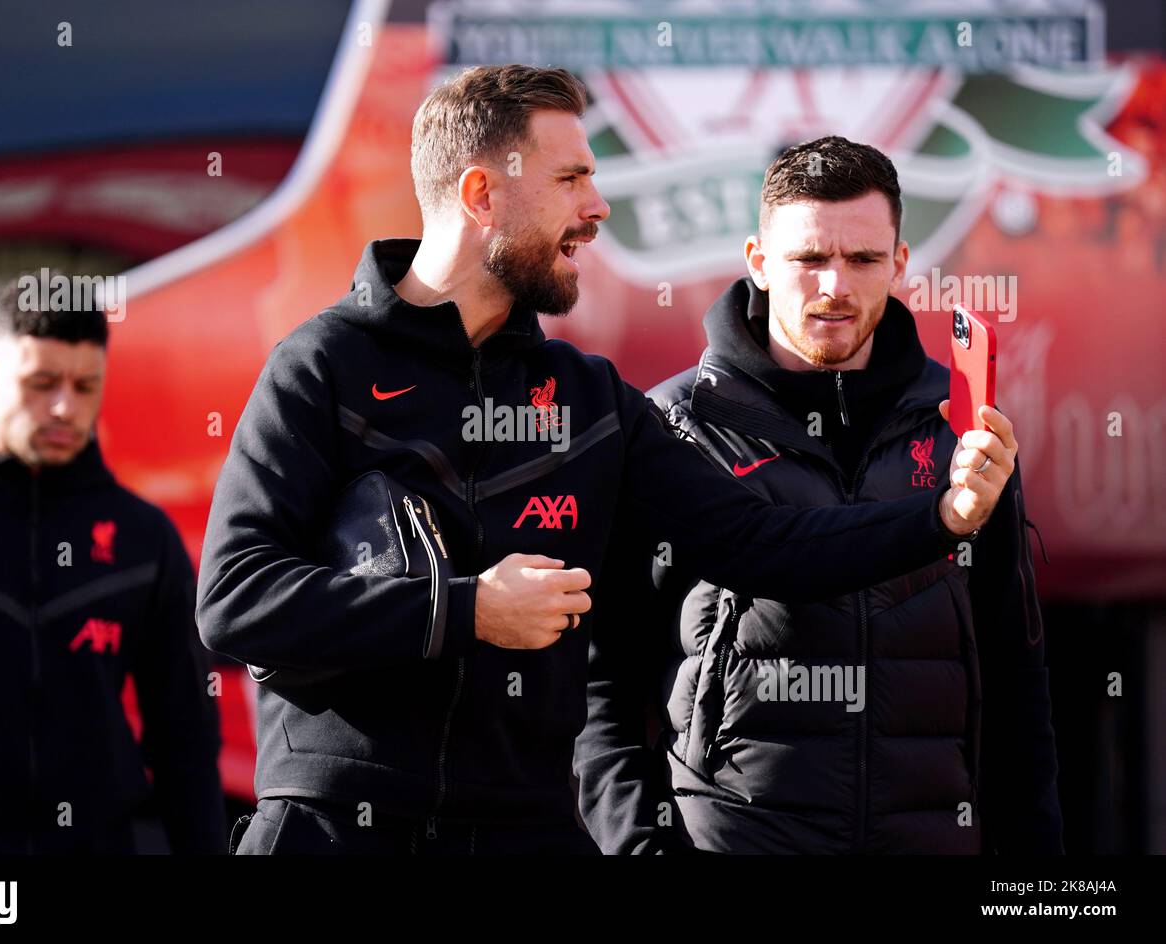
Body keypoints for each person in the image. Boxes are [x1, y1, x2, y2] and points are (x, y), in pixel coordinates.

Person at [196, 67, 1016, 856]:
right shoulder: (322, 362)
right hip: (336, 826)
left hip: (527, 830)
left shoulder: (591, 401)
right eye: (572, 179)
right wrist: (467, 609)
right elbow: (234, 600)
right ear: (483, 194)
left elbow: (767, 546)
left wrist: (944, 517)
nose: (596, 208)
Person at [574, 136, 1062, 854]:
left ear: (900, 265)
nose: (835, 285)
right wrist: (641, 846)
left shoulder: (966, 431)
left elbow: (1018, 687)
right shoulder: (672, 429)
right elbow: (598, 690)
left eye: (863, 260)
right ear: (759, 262)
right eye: (809, 259)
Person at [0, 272, 225, 854]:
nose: (65, 407)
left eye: (86, 386)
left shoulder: (142, 539)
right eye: (42, 383)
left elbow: (183, 739)